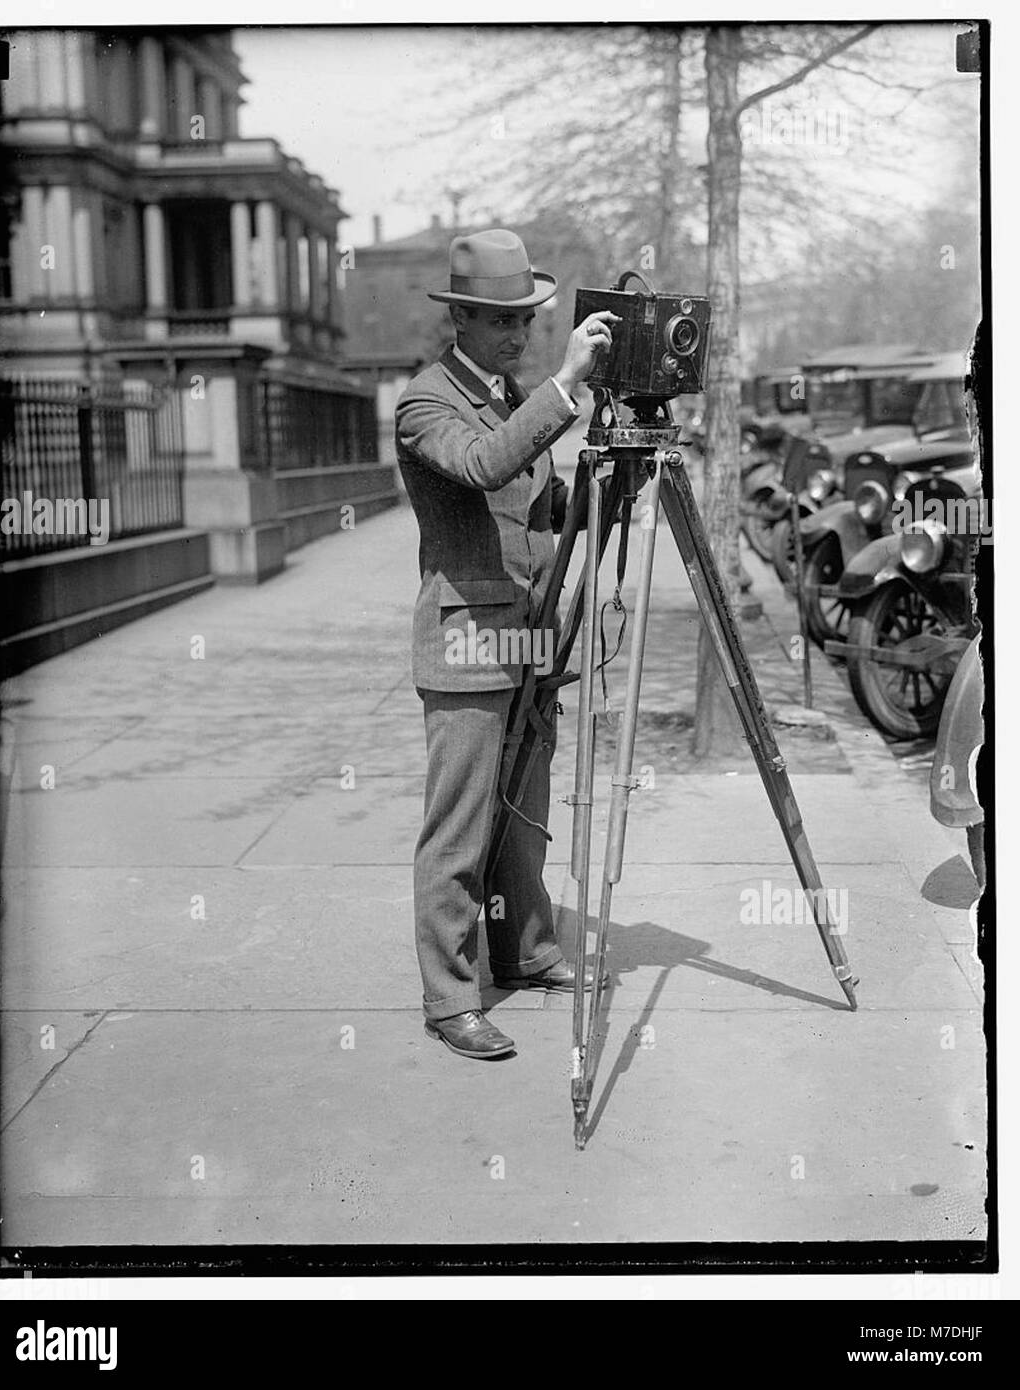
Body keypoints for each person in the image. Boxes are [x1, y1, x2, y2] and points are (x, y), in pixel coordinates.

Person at [395, 228, 620, 1060]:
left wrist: (611, 476)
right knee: (458, 828)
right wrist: (564, 389)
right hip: (466, 645)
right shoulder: (428, 402)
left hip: (530, 639)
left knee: (523, 816)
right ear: (459, 317)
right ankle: (451, 997)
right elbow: (486, 466)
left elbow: (545, 512)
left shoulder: (509, 393)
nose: (517, 334)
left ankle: (524, 951)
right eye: (498, 320)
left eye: (524, 318)